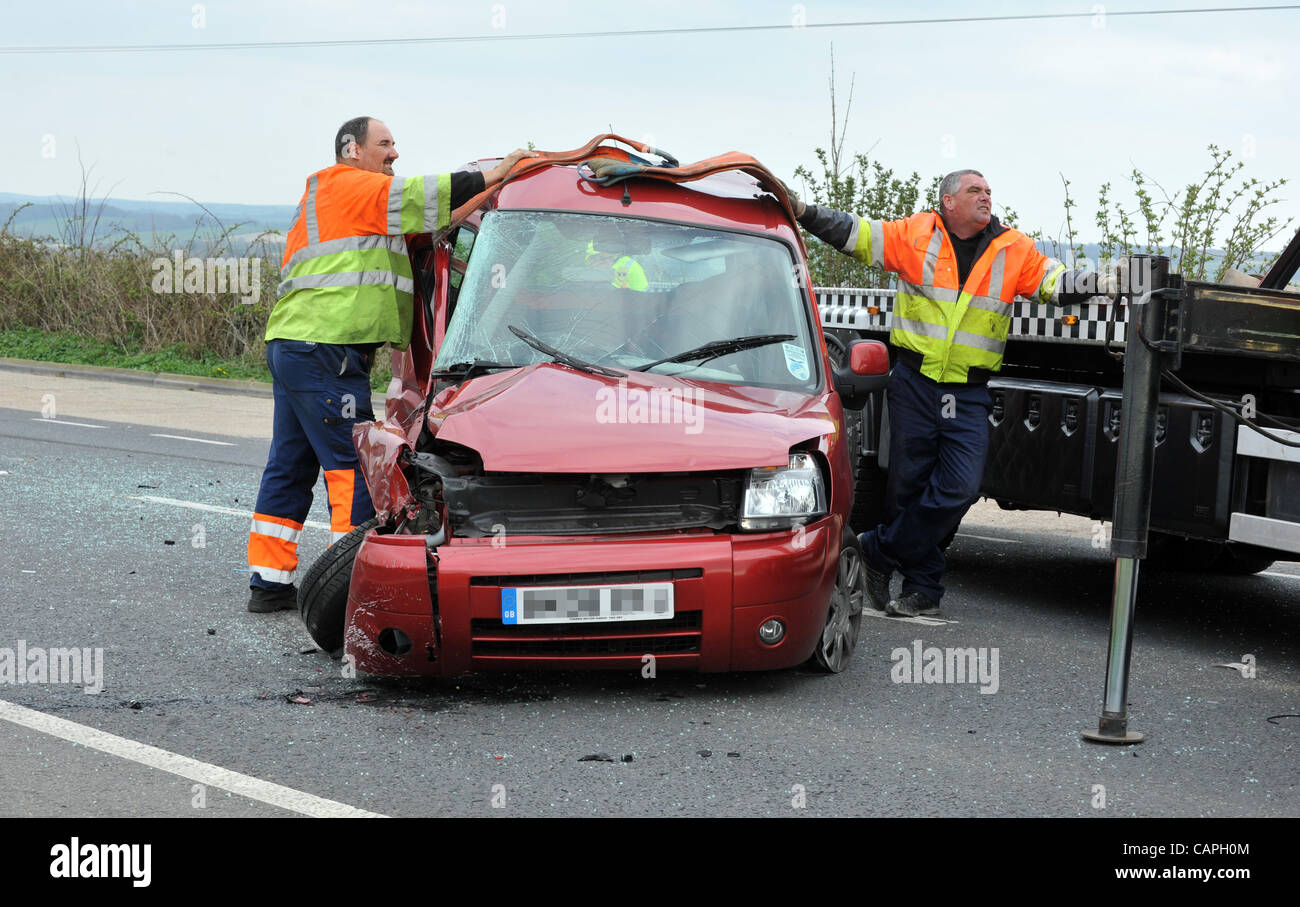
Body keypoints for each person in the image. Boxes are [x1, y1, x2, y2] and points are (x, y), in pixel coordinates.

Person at [786, 170, 1114, 617]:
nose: (986, 197)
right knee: (907, 489)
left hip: (968, 391)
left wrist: (1102, 280)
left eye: (989, 191)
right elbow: (856, 234)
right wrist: (803, 211)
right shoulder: (914, 234)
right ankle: (923, 588)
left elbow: (1053, 285)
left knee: (960, 488)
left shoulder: (1013, 248)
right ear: (948, 201)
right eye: (974, 190)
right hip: (915, 382)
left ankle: (877, 551)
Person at [247, 116, 535, 612]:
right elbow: (426, 194)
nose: (395, 152)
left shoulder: (337, 198)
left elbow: (433, 220)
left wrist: (494, 189)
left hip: (297, 345)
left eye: (396, 143)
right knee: (354, 467)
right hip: (328, 349)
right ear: (351, 150)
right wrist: (499, 171)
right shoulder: (353, 186)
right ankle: (349, 593)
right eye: (384, 143)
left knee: (290, 465)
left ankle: (269, 583)